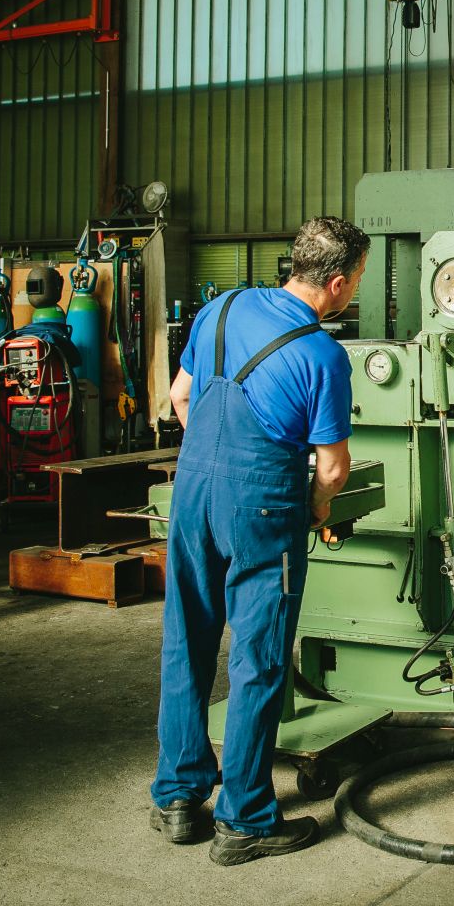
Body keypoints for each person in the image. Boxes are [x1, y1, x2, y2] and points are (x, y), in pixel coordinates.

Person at [148, 216, 367, 866]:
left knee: (185, 638)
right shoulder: (322, 354)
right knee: (259, 657)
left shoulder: (221, 307)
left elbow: (179, 397)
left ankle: (179, 799)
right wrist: (319, 508)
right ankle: (244, 817)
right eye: (357, 277)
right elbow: (330, 468)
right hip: (263, 503)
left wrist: (213, 464)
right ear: (336, 282)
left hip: (192, 492)